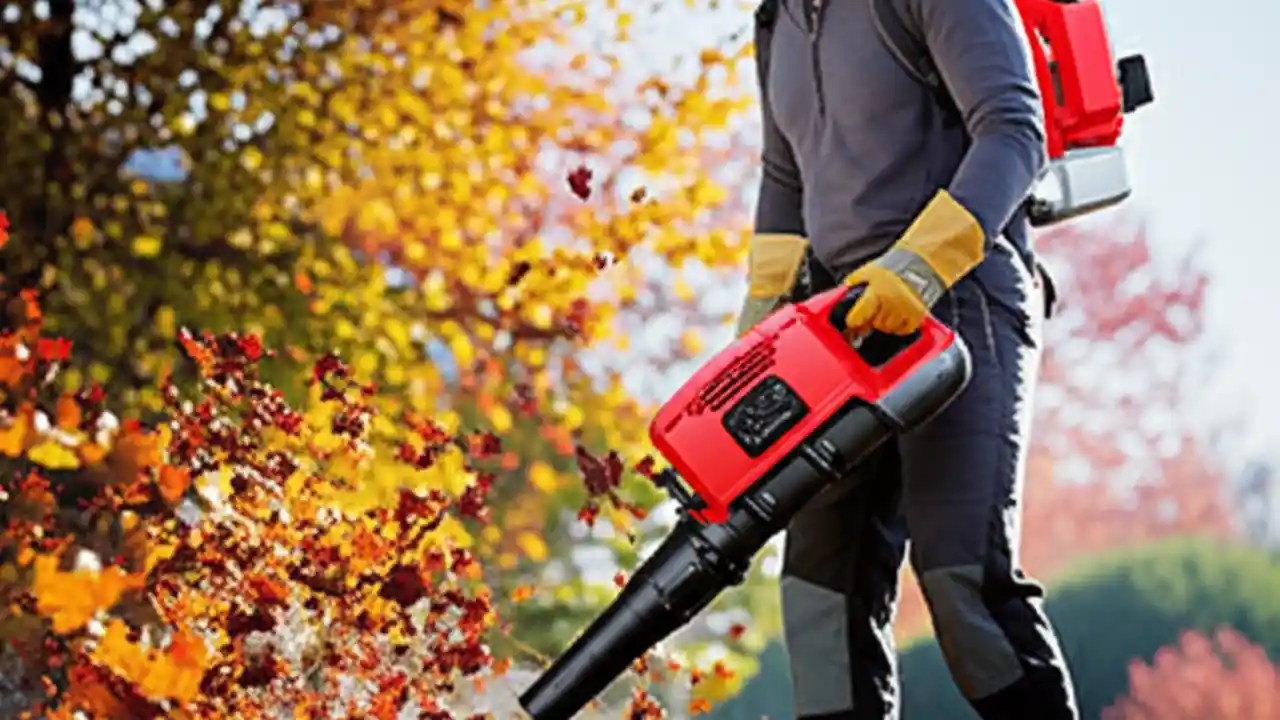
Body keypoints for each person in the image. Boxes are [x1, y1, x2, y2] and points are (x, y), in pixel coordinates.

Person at [736, 0, 1079, 717]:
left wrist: (918, 270)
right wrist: (757, 333)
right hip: (839, 323)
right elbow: (785, 180)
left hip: (960, 297)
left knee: (963, 581)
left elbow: (1015, 132)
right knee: (820, 597)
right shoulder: (778, 22)